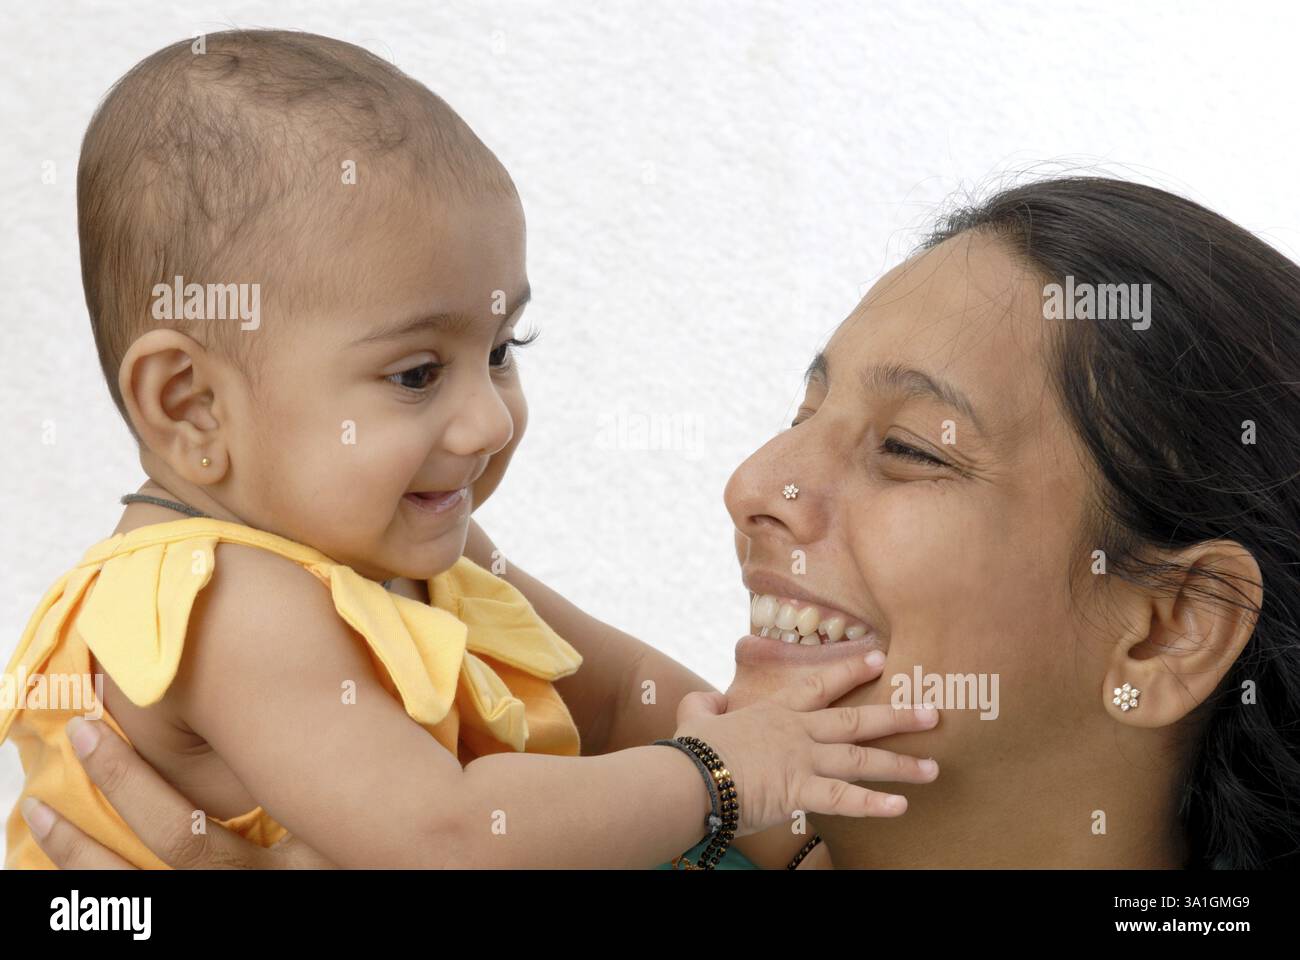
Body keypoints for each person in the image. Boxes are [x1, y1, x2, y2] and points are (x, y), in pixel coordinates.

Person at [1, 30, 944, 871]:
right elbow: (446, 836)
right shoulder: (223, 601)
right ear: (190, 406)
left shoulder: (401, 548)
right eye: (416, 373)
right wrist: (715, 778)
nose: (490, 421)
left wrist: (776, 762)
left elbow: (617, 698)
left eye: (500, 352)